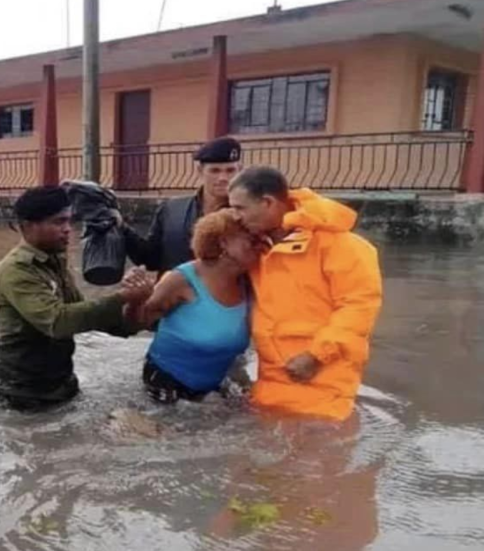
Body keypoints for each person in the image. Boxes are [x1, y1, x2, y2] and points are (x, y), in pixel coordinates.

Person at [227, 166, 383, 421]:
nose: (235, 216)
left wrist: (315, 356)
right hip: (271, 380)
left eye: (240, 208)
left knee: (320, 455)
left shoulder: (344, 246)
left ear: (267, 202)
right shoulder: (257, 247)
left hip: (321, 379)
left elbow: (358, 308)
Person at [0, 185, 155, 411]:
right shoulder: (16, 270)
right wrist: (122, 296)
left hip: (60, 382)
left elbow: (82, 312)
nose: (68, 229)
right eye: (58, 222)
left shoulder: (54, 260)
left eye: (69, 221)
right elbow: (58, 322)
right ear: (28, 226)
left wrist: (136, 304)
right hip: (22, 391)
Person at [136, 209, 259, 404]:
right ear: (223, 243)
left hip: (217, 387)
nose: (259, 245)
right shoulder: (181, 280)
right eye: (251, 240)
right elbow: (138, 320)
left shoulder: (251, 284)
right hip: (167, 383)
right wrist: (137, 297)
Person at [120, 137, 243, 273]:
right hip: (173, 292)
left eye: (230, 170)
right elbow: (151, 259)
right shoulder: (172, 209)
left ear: (240, 171)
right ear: (200, 171)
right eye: (215, 171)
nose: (223, 178)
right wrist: (122, 228)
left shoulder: (247, 215)